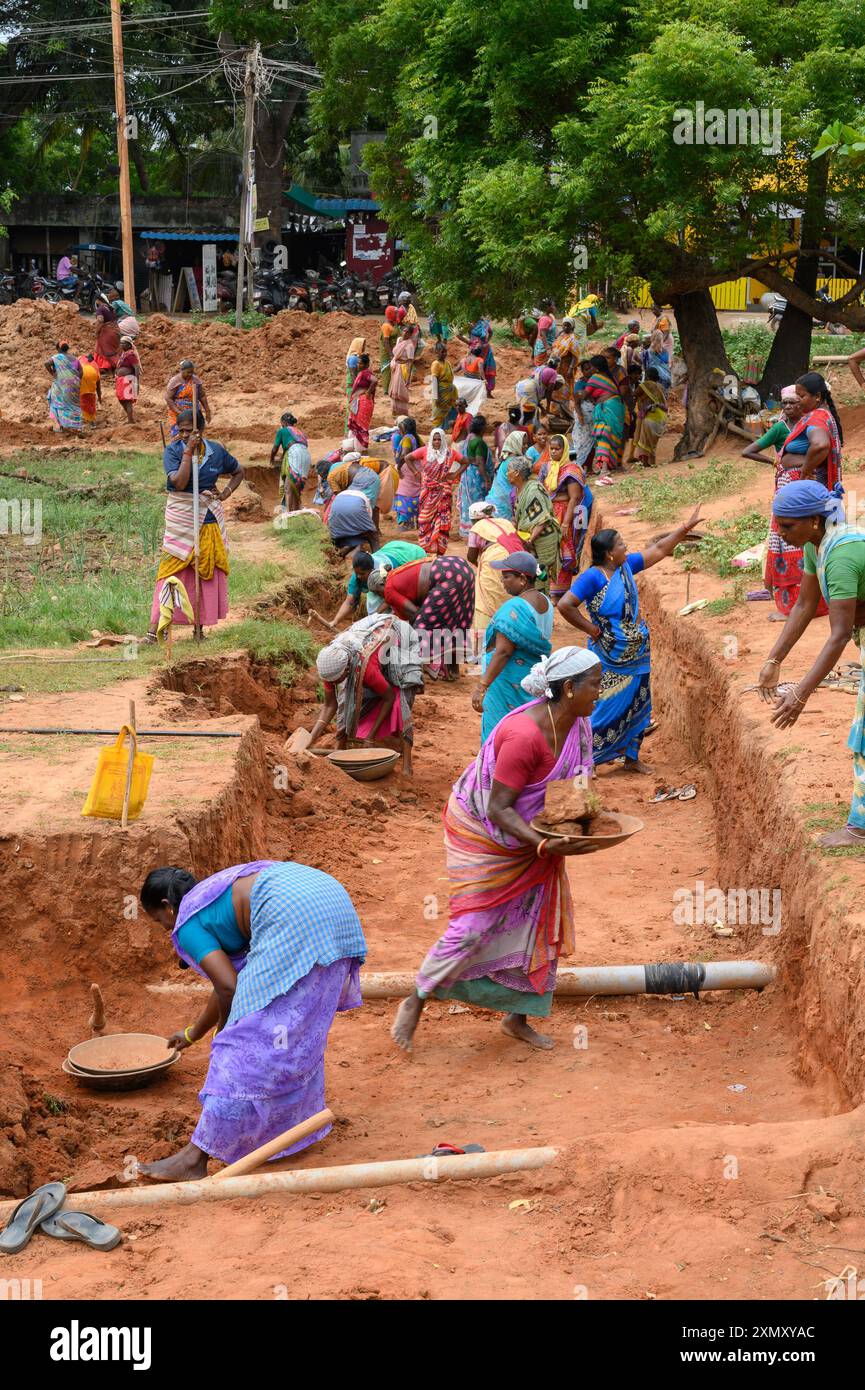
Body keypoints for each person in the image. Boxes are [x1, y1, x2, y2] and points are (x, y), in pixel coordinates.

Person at [391, 647, 603, 1053]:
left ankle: (517, 1016)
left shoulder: (578, 724)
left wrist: (584, 825)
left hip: (534, 835)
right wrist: (542, 842)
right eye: (594, 684)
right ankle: (417, 998)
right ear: (570, 687)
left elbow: (579, 787)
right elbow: (498, 808)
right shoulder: (524, 736)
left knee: (536, 918)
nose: (600, 692)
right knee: (473, 928)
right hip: (485, 833)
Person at [137, 861, 366, 1180]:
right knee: (295, 1031)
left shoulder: (187, 921)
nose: (167, 930)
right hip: (332, 903)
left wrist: (223, 1039)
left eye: (161, 922)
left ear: (166, 906)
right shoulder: (215, 896)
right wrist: (192, 1034)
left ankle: (194, 1158)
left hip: (295, 916)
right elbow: (229, 983)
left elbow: (229, 987)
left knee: (245, 1042)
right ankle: (293, 1126)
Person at [754, 480, 865, 848]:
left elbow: (839, 633)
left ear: (815, 520)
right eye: (779, 525)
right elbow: (804, 604)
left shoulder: (842, 554)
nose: (781, 534)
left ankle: (859, 826)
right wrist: (774, 660)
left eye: (788, 526)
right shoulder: (818, 545)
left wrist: (801, 694)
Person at [558, 509, 702, 770]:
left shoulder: (625, 566)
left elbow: (658, 549)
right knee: (605, 707)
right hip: (609, 654)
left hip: (638, 653)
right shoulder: (593, 577)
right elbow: (566, 605)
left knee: (639, 702)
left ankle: (632, 759)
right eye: (622, 544)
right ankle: (585, 759)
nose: (627, 547)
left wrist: (683, 529)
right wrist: (591, 629)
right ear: (609, 554)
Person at [145, 411, 243, 641]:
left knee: (205, 572)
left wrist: (226, 492)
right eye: (181, 430)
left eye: (190, 430)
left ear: (202, 429)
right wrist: (188, 450)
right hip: (181, 519)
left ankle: (199, 629)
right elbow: (178, 482)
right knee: (170, 572)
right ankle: (155, 629)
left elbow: (238, 471)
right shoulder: (173, 451)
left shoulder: (216, 452)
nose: (185, 434)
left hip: (208, 521)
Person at [309, 612, 423, 774]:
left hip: (399, 637)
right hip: (375, 639)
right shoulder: (330, 664)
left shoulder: (366, 668)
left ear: (347, 669)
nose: (333, 683)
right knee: (348, 698)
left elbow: (389, 697)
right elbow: (330, 704)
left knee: (402, 692)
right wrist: (309, 740)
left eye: (337, 679)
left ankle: (407, 765)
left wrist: (370, 737)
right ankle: (340, 749)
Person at [741, 387, 815, 619]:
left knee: (808, 537)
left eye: (794, 402)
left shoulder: (810, 425)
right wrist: (774, 463)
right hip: (788, 487)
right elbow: (748, 451)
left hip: (807, 486)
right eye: (785, 404)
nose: (789, 407)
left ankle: (809, 597)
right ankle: (788, 597)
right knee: (785, 538)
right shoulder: (780, 429)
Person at [473, 552, 554, 738]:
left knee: (499, 731)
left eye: (507, 577)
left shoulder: (515, 607)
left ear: (523, 579)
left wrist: (482, 686)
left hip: (507, 682)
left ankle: (494, 767)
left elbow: (503, 652)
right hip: (530, 679)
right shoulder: (547, 603)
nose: (503, 582)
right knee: (526, 728)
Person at [369, 554, 475, 680]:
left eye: (377, 593)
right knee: (455, 622)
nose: (381, 597)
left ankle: (423, 671)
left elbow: (415, 613)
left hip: (446, 576)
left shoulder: (388, 589)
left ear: (380, 586)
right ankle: (453, 671)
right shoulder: (396, 574)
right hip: (462, 568)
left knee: (422, 628)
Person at [330, 539, 426, 625]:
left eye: (362, 574)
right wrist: (335, 621)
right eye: (357, 573)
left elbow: (390, 598)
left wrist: (372, 618)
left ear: (372, 570)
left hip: (411, 554)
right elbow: (350, 601)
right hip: (391, 548)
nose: (359, 576)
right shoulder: (358, 574)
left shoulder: (387, 573)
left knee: (406, 600)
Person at [466, 500, 526, 637]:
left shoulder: (477, 528)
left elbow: (471, 556)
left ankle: (486, 638)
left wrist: (480, 565)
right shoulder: (504, 522)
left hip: (493, 557)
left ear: (473, 518)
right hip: (515, 556)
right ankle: (512, 629)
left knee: (486, 599)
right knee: (509, 593)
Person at [544, 433, 592, 602]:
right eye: (552, 448)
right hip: (551, 514)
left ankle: (561, 593)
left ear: (564, 450)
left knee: (564, 552)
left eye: (557, 449)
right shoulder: (549, 467)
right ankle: (552, 590)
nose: (554, 452)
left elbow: (574, 497)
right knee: (551, 551)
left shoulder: (571, 470)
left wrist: (565, 523)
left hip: (565, 514)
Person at [411, 427, 467, 555]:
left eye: (439, 439)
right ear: (431, 440)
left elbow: (465, 461)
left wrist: (455, 474)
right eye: (435, 439)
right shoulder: (425, 451)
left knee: (442, 522)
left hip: (443, 493)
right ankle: (425, 549)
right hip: (427, 493)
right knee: (424, 520)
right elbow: (408, 458)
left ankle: (439, 552)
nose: (437, 442)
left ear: (443, 440)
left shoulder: (451, 453)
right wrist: (416, 472)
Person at [511, 455, 560, 590]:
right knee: (532, 574)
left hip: (541, 539)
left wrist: (530, 541)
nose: (506, 473)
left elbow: (542, 520)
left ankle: (540, 604)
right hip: (528, 538)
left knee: (539, 575)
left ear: (516, 473)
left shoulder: (533, 490)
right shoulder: (519, 489)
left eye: (509, 470)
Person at [584, 355, 626, 476]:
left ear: (595, 367)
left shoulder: (595, 377)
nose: (589, 369)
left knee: (603, 435)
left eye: (590, 367)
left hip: (606, 409)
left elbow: (585, 395)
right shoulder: (610, 377)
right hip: (617, 407)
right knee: (612, 436)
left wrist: (578, 394)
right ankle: (608, 466)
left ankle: (604, 469)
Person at [458, 414, 493, 537]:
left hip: (468, 475)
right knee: (479, 501)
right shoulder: (479, 442)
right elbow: (479, 462)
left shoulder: (469, 438)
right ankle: (478, 529)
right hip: (476, 477)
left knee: (469, 501)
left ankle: (466, 528)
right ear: (482, 428)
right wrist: (487, 480)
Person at [485, 427, 525, 520]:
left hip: (495, 499)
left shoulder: (505, 457)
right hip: (504, 502)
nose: (526, 446)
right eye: (523, 444)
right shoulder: (515, 461)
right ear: (516, 444)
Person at [631, 368, 668, 468]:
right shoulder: (660, 386)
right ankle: (652, 462)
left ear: (646, 376)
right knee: (652, 442)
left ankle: (645, 463)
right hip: (661, 416)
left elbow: (633, 395)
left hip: (650, 416)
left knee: (644, 440)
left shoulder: (644, 385)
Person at [327, 484, 377, 555]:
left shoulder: (341, 494)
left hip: (336, 525)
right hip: (356, 509)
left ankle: (336, 554)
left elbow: (330, 516)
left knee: (336, 538)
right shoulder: (363, 496)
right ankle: (377, 555)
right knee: (372, 534)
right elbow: (368, 517)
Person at [165, 360, 210, 440]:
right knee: (178, 436)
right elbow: (168, 398)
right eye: (188, 372)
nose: (190, 374)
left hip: (193, 413)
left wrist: (207, 411)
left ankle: (195, 451)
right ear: (181, 370)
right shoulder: (175, 381)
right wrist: (179, 412)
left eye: (192, 372)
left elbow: (202, 396)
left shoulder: (196, 380)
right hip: (178, 413)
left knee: (195, 435)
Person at [45, 341, 82, 432]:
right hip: (73, 386)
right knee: (74, 406)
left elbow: (46, 364)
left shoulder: (57, 358)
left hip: (60, 386)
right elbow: (81, 371)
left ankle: (61, 427)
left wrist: (53, 374)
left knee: (58, 403)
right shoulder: (75, 359)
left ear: (58, 349)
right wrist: (75, 380)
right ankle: (76, 427)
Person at [393, 417, 422, 529]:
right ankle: (418, 521)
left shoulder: (406, 439)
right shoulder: (417, 438)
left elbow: (404, 455)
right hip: (417, 468)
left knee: (404, 494)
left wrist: (399, 468)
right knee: (416, 494)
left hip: (407, 470)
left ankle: (406, 523)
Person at [347, 353, 376, 450]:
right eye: (358, 363)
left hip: (363, 403)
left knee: (361, 427)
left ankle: (361, 449)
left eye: (361, 363)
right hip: (359, 402)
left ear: (366, 365)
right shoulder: (361, 373)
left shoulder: (366, 373)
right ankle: (356, 448)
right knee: (356, 425)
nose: (358, 365)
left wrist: (368, 392)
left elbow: (375, 381)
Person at [452, 344, 489, 415]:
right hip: (474, 386)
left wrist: (446, 373)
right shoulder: (479, 360)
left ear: (471, 352)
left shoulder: (463, 360)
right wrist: (484, 379)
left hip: (465, 385)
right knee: (473, 402)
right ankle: (470, 415)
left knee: (463, 401)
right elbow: (481, 370)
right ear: (480, 353)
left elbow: (455, 370)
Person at [429, 341, 458, 428]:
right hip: (440, 395)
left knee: (451, 412)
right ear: (437, 352)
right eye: (442, 352)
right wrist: (436, 397)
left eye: (445, 351)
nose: (445, 354)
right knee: (438, 415)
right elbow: (434, 381)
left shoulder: (447, 363)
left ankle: (447, 429)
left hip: (450, 394)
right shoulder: (436, 364)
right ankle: (437, 431)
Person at [388, 327, 416, 417]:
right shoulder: (399, 340)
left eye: (407, 332)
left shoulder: (410, 346)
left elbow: (410, 361)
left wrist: (408, 378)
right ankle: (394, 411)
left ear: (410, 334)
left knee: (401, 391)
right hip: (396, 368)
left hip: (403, 369)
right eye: (404, 331)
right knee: (394, 390)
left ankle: (402, 413)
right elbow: (395, 354)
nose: (405, 333)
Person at [114, 335, 141, 424]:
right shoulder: (124, 354)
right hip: (121, 380)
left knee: (127, 400)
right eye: (120, 343)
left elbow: (136, 368)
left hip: (128, 379)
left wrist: (137, 382)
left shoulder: (130, 354)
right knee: (121, 399)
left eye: (123, 343)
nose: (121, 344)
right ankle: (130, 418)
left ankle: (130, 420)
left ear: (129, 345)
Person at [93, 300, 121, 372]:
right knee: (112, 350)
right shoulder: (110, 307)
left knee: (105, 351)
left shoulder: (100, 309)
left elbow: (100, 320)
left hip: (107, 333)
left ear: (98, 301)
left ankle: (107, 366)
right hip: (116, 332)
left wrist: (96, 331)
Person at [78, 351, 101, 427]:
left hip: (82, 385)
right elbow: (98, 383)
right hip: (91, 388)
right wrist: (99, 397)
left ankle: (80, 423)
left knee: (82, 403)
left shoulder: (81, 358)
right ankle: (92, 423)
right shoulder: (95, 365)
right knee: (91, 404)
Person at [379, 306, 398, 394]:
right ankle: (386, 390)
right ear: (391, 314)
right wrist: (391, 355)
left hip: (394, 351)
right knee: (387, 370)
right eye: (395, 313)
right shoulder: (386, 326)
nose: (397, 315)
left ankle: (392, 388)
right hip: (387, 352)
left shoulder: (392, 324)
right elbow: (386, 342)